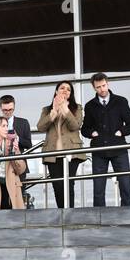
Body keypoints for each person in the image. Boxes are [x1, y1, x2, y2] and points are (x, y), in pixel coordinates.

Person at [80, 73, 130, 207]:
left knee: (125, 185)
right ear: (94, 88)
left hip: (119, 149)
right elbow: (84, 129)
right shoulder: (90, 106)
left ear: (108, 83)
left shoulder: (120, 101)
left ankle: (129, 214)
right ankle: (99, 217)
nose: (102, 89)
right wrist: (92, 133)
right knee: (98, 188)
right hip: (99, 150)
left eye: (104, 85)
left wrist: (121, 132)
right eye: (98, 87)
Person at [37, 81, 85, 209]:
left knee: (68, 184)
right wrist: (53, 112)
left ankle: (70, 213)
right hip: (53, 153)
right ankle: (61, 213)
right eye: (62, 88)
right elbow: (40, 127)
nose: (65, 90)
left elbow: (75, 125)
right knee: (57, 185)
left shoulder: (77, 108)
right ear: (56, 91)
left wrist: (65, 110)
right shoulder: (47, 109)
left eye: (68, 89)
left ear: (71, 93)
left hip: (72, 153)